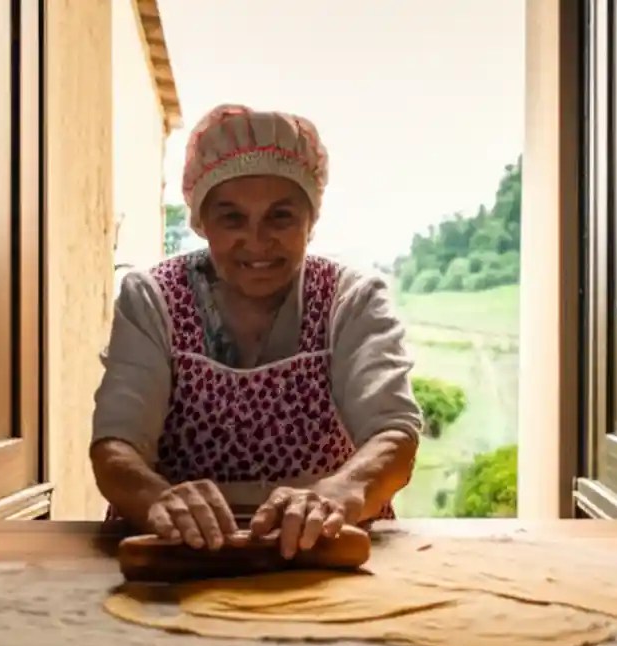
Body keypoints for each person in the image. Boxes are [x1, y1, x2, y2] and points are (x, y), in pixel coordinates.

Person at [91, 104, 422, 560]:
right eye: (232, 218)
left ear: (312, 219)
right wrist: (155, 499)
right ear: (201, 221)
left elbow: (393, 434)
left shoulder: (352, 300)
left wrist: (341, 490)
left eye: (280, 217)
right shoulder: (152, 299)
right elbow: (115, 446)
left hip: (322, 548)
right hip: (179, 552)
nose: (258, 240)